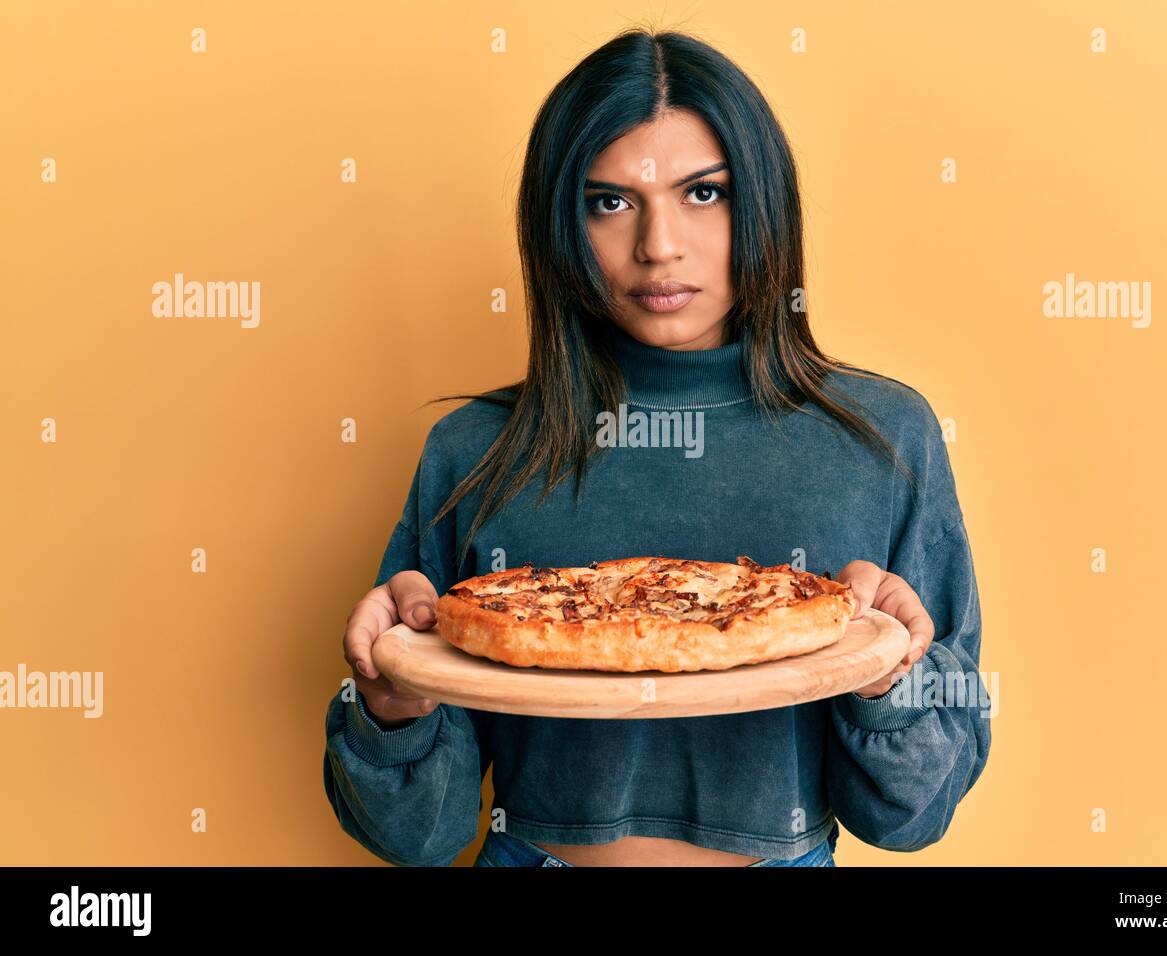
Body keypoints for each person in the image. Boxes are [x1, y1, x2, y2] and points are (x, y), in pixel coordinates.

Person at [323, 28, 991, 867]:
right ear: (559, 225)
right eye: (611, 202)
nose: (658, 246)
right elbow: (418, 839)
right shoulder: (475, 451)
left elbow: (912, 818)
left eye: (703, 194)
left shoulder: (884, 438)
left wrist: (893, 678)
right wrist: (389, 706)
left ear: (765, 205)